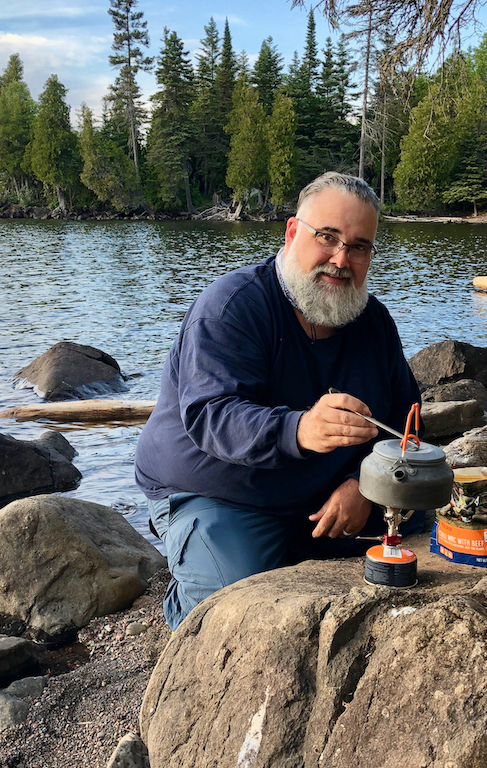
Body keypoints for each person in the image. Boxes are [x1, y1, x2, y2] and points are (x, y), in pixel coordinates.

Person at [134, 171, 421, 629]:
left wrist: (363, 485)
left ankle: (289, 545)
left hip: (322, 494)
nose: (340, 259)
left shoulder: (375, 323)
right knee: (234, 610)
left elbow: (406, 422)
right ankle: (185, 580)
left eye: (359, 246)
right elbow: (211, 416)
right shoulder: (232, 307)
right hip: (219, 490)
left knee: (435, 529)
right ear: (292, 232)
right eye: (326, 237)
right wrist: (300, 429)